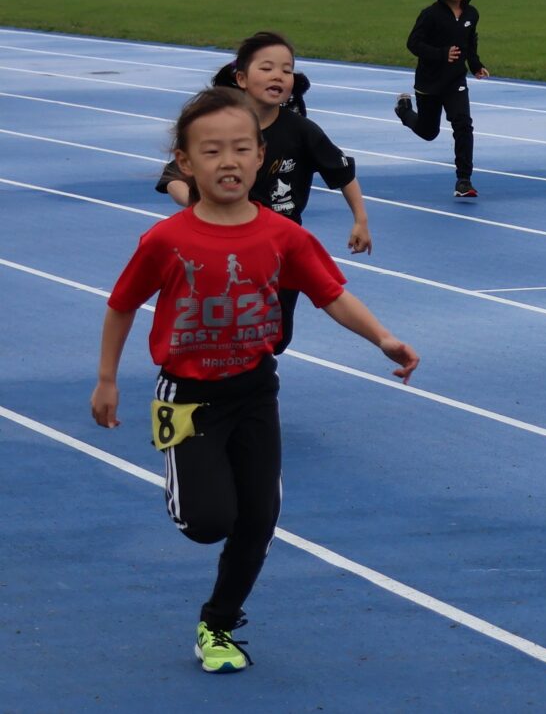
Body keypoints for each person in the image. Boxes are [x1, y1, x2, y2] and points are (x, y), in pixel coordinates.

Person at [92, 88, 419, 674]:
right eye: (211, 150)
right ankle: (184, 482)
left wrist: (384, 339)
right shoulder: (166, 240)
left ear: (261, 157)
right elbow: (120, 306)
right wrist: (107, 380)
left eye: (242, 148)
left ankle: (217, 623)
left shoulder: (282, 235)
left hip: (254, 391)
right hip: (186, 396)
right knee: (207, 524)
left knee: (259, 519)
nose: (229, 161)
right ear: (186, 163)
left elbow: (332, 294)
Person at [156, 31, 371, 354]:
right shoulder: (219, 125)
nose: (279, 76)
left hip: (281, 244)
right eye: (267, 68)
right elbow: (174, 176)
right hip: (224, 240)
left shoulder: (301, 130)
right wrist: (202, 204)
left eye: (286, 70)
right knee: (228, 320)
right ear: (241, 78)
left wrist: (360, 220)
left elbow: (342, 173)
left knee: (277, 334)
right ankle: (233, 377)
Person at [395, 0, 489, 199]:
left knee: (463, 124)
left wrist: (476, 65)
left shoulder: (471, 14)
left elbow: (470, 42)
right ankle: (404, 111)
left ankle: (463, 180)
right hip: (430, 82)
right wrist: (441, 54)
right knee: (429, 132)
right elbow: (413, 44)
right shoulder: (430, 16)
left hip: (456, 80)